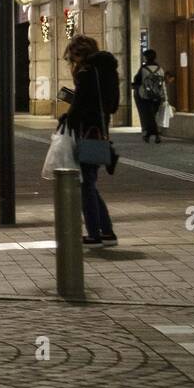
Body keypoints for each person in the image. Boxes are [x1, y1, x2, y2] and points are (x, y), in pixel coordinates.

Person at [63, 35, 119, 246]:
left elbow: (81, 105)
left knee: (86, 185)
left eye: (72, 56)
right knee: (90, 184)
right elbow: (111, 105)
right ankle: (106, 232)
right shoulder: (108, 70)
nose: (72, 61)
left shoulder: (87, 72)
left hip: (87, 131)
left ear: (79, 53)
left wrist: (69, 116)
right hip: (101, 130)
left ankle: (95, 233)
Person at [132, 49, 168, 144]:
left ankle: (155, 135)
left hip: (145, 96)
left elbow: (136, 82)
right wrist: (165, 97)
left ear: (146, 57)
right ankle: (149, 135)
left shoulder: (143, 69)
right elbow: (163, 84)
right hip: (157, 96)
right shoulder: (160, 69)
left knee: (149, 116)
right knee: (152, 115)